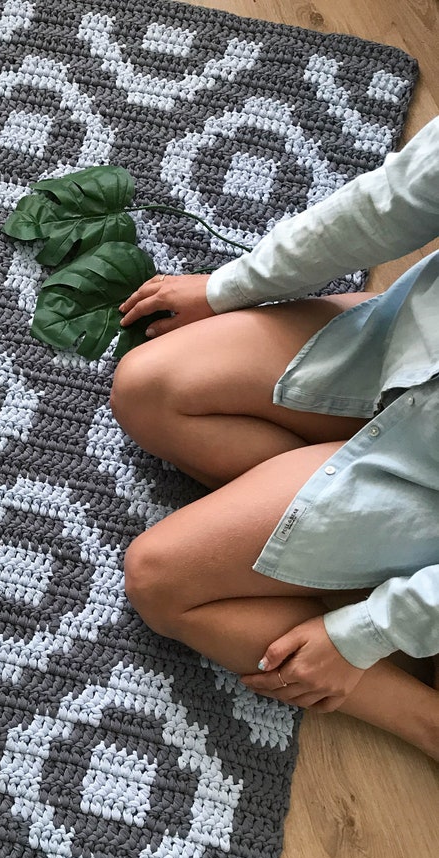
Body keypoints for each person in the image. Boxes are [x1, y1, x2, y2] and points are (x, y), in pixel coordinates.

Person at [111, 115, 439, 759]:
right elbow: (392, 198)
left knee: (160, 580)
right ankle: (343, 546)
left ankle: (427, 718)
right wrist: (230, 286)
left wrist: (365, 633)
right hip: (399, 353)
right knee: (149, 388)